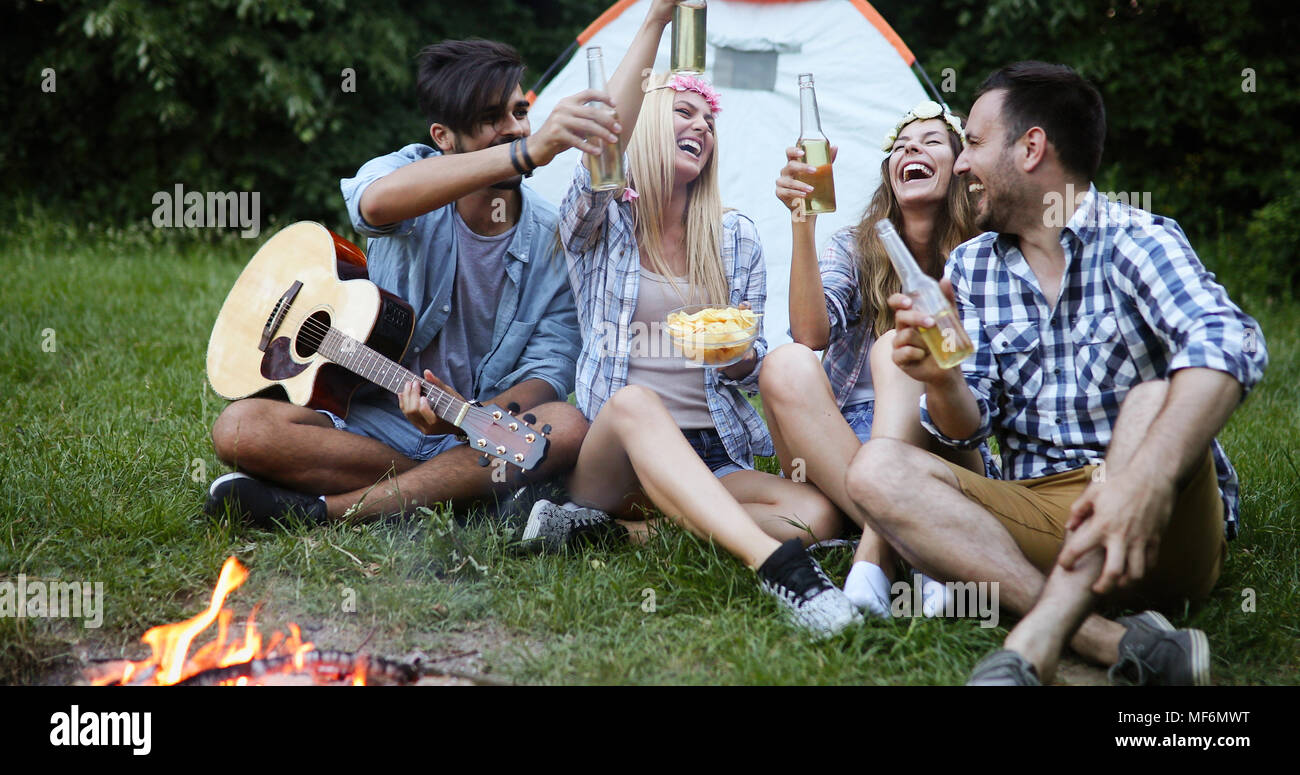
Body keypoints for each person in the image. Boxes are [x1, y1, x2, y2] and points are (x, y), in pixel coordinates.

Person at [843, 61, 1268, 684]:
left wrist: (1143, 480)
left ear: (1032, 147)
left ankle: (1038, 640)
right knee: (876, 468)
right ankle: (1108, 641)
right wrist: (942, 380)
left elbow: (1230, 340)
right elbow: (966, 430)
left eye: (976, 143)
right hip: (1042, 516)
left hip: (1159, 516)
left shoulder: (1137, 239)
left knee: (1150, 400)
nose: (962, 163)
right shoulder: (972, 267)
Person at [523, 0, 860, 637]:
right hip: (617, 451)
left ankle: (614, 534)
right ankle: (780, 570)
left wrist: (737, 356)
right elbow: (600, 140)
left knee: (818, 515)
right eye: (684, 112)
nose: (701, 128)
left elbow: (746, 367)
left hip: (713, 452)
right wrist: (655, 19)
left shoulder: (735, 237)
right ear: (645, 127)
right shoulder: (604, 220)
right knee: (634, 403)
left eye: (709, 121)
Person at [204, 39, 617, 526]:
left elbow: (550, 368)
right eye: (491, 119)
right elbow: (374, 206)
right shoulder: (405, 173)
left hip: (475, 430)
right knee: (238, 430)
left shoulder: (555, 237)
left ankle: (326, 510)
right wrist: (525, 153)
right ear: (442, 135)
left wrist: (467, 417)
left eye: (519, 112)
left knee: (566, 426)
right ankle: (456, 489)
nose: (514, 129)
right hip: (364, 421)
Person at [760, 100, 992, 618]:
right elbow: (810, 334)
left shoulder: (984, 256)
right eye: (902, 144)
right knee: (785, 362)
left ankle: (873, 558)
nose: (912, 147)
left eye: (932, 140)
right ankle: (925, 545)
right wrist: (803, 224)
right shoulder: (857, 247)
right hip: (841, 445)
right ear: (890, 175)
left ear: (959, 166)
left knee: (897, 347)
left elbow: (975, 403)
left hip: (945, 440)